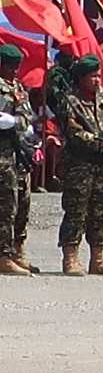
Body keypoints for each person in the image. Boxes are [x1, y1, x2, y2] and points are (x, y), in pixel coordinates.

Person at [57, 55, 103, 276]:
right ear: (81, 78)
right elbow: (74, 132)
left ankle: (98, 259)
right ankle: (71, 258)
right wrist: (102, 144)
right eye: (92, 77)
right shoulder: (70, 101)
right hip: (80, 165)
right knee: (76, 211)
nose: (97, 80)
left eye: (98, 76)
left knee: (102, 212)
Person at [0, 45, 35, 275]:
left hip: (15, 154)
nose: (15, 70)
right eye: (11, 66)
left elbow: (27, 116)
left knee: (19, 204)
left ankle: (13, 251)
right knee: (4, 206)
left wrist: (14, 121)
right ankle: (3, 256)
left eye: (17, 66)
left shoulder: (18, 88)